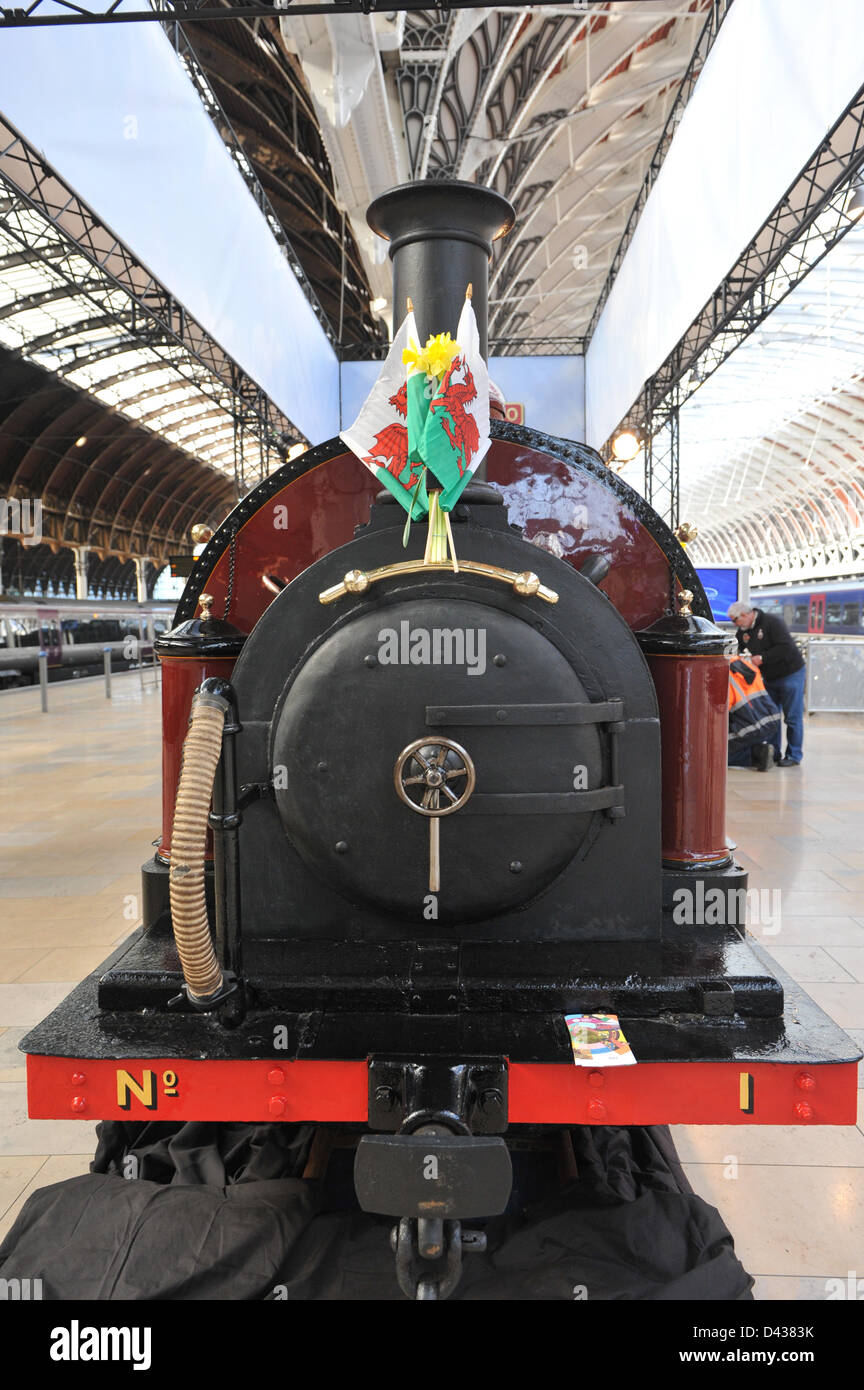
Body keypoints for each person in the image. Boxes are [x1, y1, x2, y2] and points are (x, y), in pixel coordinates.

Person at [727, 601, 805, 765]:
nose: (734, 624)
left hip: (790, 673)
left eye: (735, 620)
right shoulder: (743, 632)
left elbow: (785, 646)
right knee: (771, 716)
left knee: (792, 717)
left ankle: (793, 755)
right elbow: (738, 650)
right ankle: (772, 752)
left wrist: (763, 658)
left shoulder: (772, 622)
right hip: (769, 678)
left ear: (746, 615)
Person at [727, 656, 781, 770]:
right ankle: (766, 751)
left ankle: (757, 754)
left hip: (749, 727)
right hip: (771, 720)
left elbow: (721, 711)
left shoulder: (722, 674)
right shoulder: (745, 664)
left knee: (717, 753)